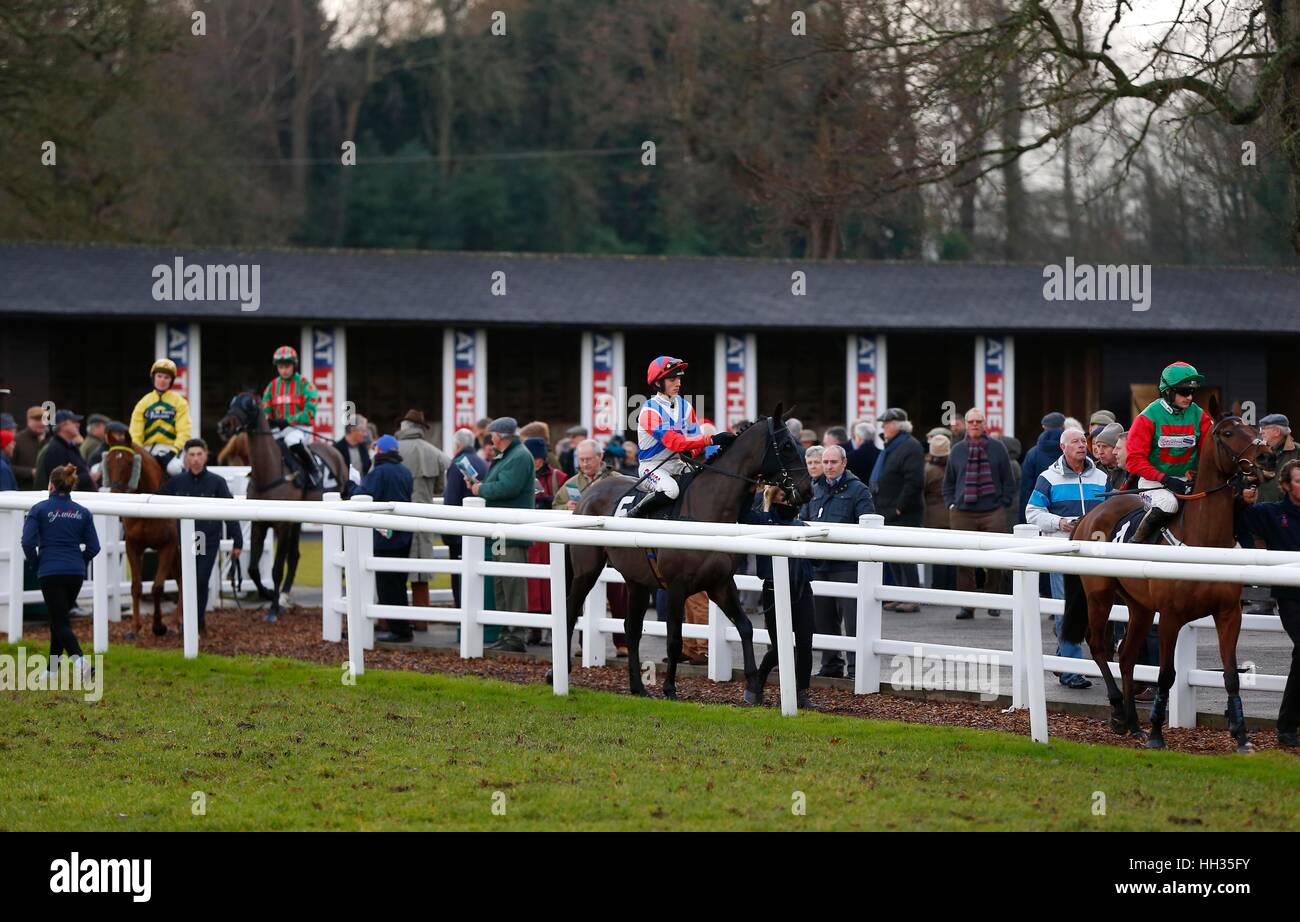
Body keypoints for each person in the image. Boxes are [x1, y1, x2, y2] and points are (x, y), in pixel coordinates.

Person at [1025, 427, 1108, 689]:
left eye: (1084, 441)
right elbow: (1033, 512)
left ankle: (1064, 661)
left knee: (1089, 611)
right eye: (1075, 442)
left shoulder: (1102, 478)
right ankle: (1072, 671)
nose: (1082, 445)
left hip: (1096, 554)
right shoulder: (1047, 478)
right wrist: (1059, 523)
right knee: (1067, 610)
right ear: (1063, 447)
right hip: (1062, 553)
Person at [1238, 460, 1300, 748]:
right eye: (1299, 481)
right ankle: (1286, 727)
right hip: (1291, 597)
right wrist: (1243, 500)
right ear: (1286, 486)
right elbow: (1240, 522)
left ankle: (1287, 727)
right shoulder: (1272, 513)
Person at [802, 443, 875, 678]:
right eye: (825, 462)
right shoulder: (814, 489)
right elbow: (803, 519)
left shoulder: (859, 490)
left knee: (853, 621)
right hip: (820, 564)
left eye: (833, 462)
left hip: (847, 565)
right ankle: (831, 665)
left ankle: (856, 668)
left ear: (844, 463)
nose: (829, 467)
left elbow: (867, 524)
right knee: (823, 620)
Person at [21, 464, 100, 680]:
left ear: (51, 485)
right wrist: (79, 562)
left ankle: (80, 661)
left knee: (59, 621)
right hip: (75, 572)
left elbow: (27, 543)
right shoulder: (82, 512)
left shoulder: (39, 509)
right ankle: (51, 670)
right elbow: (94, 547)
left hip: (50, 571)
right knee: (59, 618)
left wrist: (37, 563)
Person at [624, 356, 728, 518]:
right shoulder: (649, 410)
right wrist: (712, 440)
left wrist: (691, 453)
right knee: (671, 490)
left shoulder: (686, 406)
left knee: (705, 482)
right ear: (658, 383)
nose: (678, 383)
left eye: (679, 378)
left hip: (677, 464)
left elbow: (696, 440)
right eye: (672, 379)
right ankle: (633, 514)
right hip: (651, 467)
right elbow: (674, 442)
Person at [468, 417, 536, 652]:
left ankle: (516, 636)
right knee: (501, 583)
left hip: (511, 532)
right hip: (501, 531)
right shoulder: (511, 456)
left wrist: (480, 489)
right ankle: (507, 634)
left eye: (492, 435)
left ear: (500, 436)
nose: (490, 439)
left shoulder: (518, 456)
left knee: (512, 585)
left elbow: (508, 488)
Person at [1125, 361, 1213, 544]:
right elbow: (1134, 461)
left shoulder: (1200, 415)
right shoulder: (1147, 418)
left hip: (1187, 479)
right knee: (1168, 504)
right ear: (1167, 391)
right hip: (1153, 483)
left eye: (1192, 392)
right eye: (1184, 392)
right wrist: (1165, 479)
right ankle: (1136, 543)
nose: (1189, 397)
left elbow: (1208, 452)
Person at [159, 439, 243, 629]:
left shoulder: (217, 482)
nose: (196, 459)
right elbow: (159, 507)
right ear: (186, 458)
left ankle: (196, 622)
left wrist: (237, 541)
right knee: (188, 580)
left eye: (199, 454)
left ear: (206, 456)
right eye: (191, 455)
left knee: (201, 579)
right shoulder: (176, 483)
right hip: (184, 540)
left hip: (209, 538)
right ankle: (192, 622)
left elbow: (229, 511)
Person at [942, 407, 1016, 619]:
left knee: (996, 560)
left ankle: (993, 602)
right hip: (962, 511)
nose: (974, 424)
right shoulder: (957, 449)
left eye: (978, 421)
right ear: (966, 424)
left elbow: (1008, 480)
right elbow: (948, 481)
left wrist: (1003, 503)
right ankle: (968, 604)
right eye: (971, 421)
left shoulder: (997, 448)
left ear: (984, 424)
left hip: (993, 510)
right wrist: (951, 503)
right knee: (964, 560)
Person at [746, 485, 816, 708]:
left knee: (805, 643)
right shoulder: (761, 521)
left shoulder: (802, 525)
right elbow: (742, 514)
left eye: (790, 498)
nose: (788, 502)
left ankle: (800, 693)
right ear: (773, 497)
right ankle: (758, 681)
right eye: (783, 497)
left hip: (802, 588)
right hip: (773, 589)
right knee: (780, 646)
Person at [355, 435, 415, 642]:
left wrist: (350, 486)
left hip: (384, 537)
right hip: (404, 535)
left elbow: (363, 495)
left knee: (387, 585)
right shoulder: (405, 471)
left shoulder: (379, 472)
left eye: (375, 448)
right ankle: (401, 626)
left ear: (380, 450)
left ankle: (399, 631)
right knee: (398, 584)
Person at [396, 409, 451, 613]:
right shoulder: (434, 453)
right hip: (424, 520)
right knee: (421, 574)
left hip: (396, 519)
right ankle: (421, 620)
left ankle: (390, 620)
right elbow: (441, 486)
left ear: (403, 427)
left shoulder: (392, 451)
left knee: (391, 573)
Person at [871, 408, 924, 611]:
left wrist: (900, 508)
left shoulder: (910, 446)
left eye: (886, 424)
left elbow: (914, 482)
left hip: (903, 512)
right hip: (886, 509)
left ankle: (912, 598)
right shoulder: (892, 446)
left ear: (897, 426)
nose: (883, 428)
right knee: (893, 558)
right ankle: (899, 594)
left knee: (906, 557)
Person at [261, 345, 322, 489]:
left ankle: (313, 469)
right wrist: (268, 418)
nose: (284, 370)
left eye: (287, 366)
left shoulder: (305, 385)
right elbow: (266, 406)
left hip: (299, 428)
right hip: (277, 429)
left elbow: (309, 412)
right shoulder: (272, 386)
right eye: (281, 367)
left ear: (294, 366)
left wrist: (288, 421)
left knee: (291, 439)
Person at [444, 427, 488, 609]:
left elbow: (452, 498)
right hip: (480, 526)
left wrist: (447, 531)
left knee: (460, 574)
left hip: (460, 529)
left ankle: (462, 612)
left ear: (457, 445)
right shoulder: (481, 461)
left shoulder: (458, 463)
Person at [129, 358, 192, 478]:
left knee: (175, 469)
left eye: (166, 377)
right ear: (154, 378)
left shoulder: (180, 403)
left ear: (171, 381)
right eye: (159, 376)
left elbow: (184, 432)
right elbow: (135, 433)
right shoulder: (143, 403)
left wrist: (173, 451)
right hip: (146, 450)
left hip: (171, 450)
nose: (162, 380)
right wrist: (140, 452)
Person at [1017, 412, 1064, 524]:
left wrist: (1024, 519)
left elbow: (1026, 489)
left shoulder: (1033, 453)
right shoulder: (1072, 450)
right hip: (1067, 510)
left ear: (1044, 428)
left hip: (1040, 511)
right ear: (1063, 426)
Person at [34, 410, 94, 493]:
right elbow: (59, 481)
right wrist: (88, 477)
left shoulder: (69, 446)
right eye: (73, 422)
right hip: (65, 503)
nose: (78, 424)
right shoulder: (55, 449)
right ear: (63, 425)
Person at [923, 434, 954, 591]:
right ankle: (952, 586)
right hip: (954, 515)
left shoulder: (928, 470)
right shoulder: (954, 467)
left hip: (933, 517)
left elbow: (922, 491)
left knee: (938, 556)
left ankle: (938, 588)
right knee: (954, 555)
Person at [1256, 414, 1300, 503]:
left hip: (1288, 511)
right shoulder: (1256, 450)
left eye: (1264, 428)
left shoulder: (1298, 451)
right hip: (1259, 510)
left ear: (1276, 431)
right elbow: (1245, 479)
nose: (1260, 432)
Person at [11, 406, 50, 490]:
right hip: (24, 492)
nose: (42, 423)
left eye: (44, 420)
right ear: (29, 421)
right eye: (37, 420)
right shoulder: (17, 440)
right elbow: (8, 466)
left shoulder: (50, 440)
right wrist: (30, 472)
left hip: (46, 492)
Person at [334, 415, 371, 485]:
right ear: (353, 429)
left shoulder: (363, 447)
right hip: (344, 492)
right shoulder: (337, 449)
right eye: (363, 431)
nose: (365, 434)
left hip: (362, 490)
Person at [1091, 422, 1127, 491]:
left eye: (1105, 446)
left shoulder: (1129, 471)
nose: (1100, 451)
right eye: (1098, 446)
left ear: (1116, 448)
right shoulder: (1092, 470)